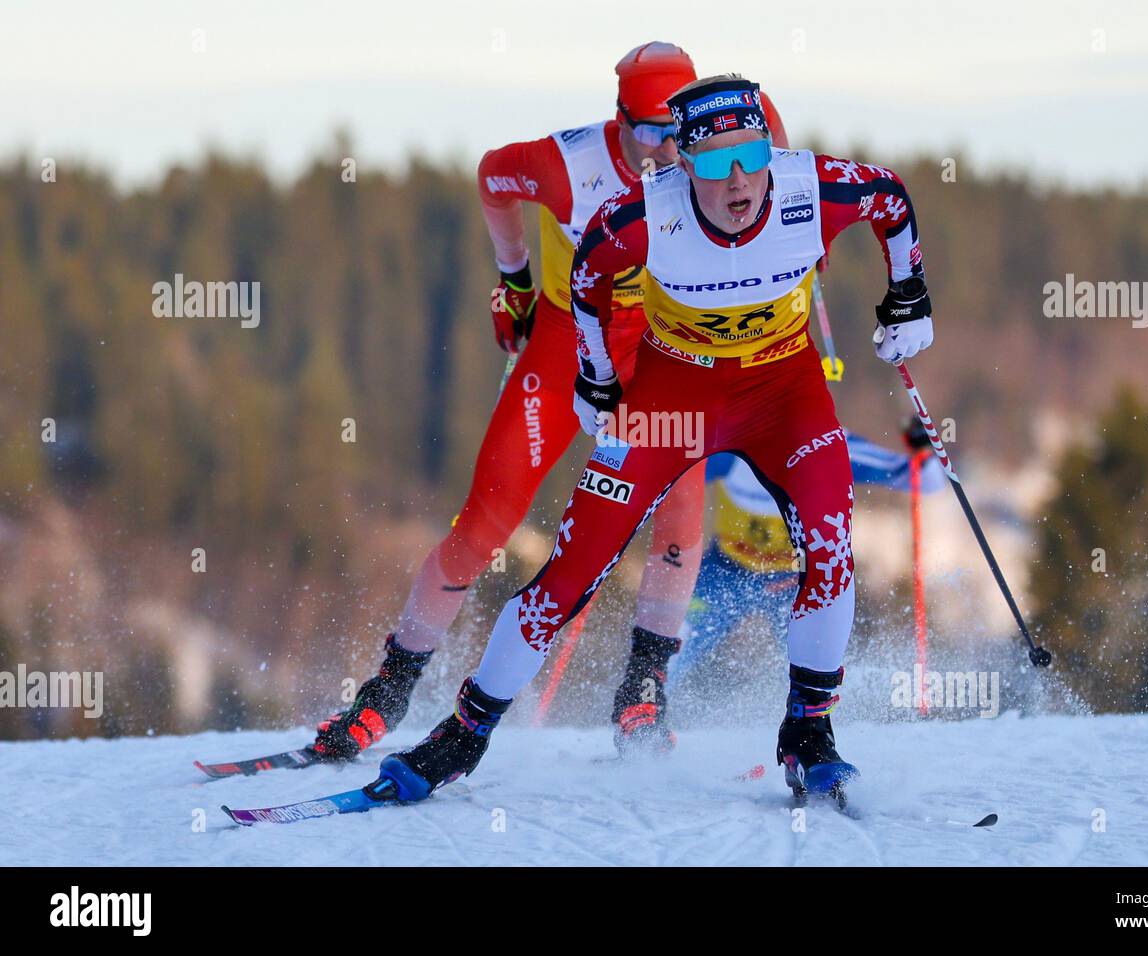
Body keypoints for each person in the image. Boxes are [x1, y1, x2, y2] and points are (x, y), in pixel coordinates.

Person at [371, 73, 934, 805]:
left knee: (830, 550)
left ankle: (810, 731)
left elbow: (891, 198)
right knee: (571, 571)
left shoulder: (810, 188)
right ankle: (463, 734)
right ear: (681, 164)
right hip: (673, 403)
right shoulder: (637, 218)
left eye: (751, 156)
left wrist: (908, 295)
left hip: (783, 399)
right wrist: (597, 380)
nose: (737, 181)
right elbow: (586, 284)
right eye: (711, 163)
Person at [311, 46, 789, 760]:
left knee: (681, 513)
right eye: (648, 131)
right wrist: (514, 279)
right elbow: (491, 179)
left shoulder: (723, 132)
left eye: (676, 130)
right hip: (569, 343)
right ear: (619, 117)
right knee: (484, 525)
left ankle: (643, 689)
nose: (666, 150)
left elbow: (785, 179)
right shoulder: (567, 165)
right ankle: (389, 687)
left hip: (665, 348)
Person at [669, 426, 944, 692]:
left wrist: (923, 450)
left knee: (822, 669)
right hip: (728, 571)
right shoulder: (729, 444)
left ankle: (832, 724)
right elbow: (649, 462)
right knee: (669, 647)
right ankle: (645, 711)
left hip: (797, 580)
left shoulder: (831, 447)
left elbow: (928, 480)